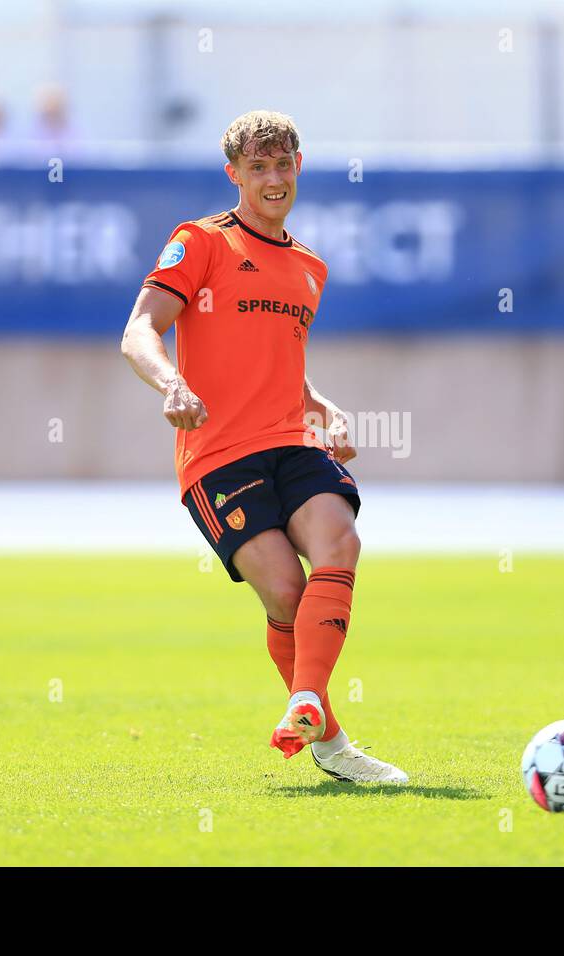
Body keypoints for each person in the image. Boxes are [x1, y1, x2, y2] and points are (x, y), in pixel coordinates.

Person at [119, 110, 408, 784]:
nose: (273, 179)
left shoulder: (310, 266)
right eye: (258, 169)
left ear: (298, 167)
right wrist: (171, 384)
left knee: (341, 539)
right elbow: (139, 331)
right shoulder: (199, 242)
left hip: (292, 440)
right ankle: (332, 742)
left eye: (283, 166)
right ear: (236, 176)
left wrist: (322, 405)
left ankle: (304, 700)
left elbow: (276, 358)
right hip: (218, 455)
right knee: (285, 591)